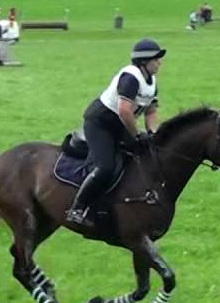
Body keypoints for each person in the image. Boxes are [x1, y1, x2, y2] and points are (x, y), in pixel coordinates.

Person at [66, 39, 165, 227]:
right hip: (100, 123)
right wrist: (137, 135)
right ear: (144, 61)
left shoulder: (152, 83)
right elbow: (124, 110)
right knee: (105, 167)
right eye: (156, 59)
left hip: (121, 125)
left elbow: (151, 111)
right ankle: (77, 208)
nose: (160, 62)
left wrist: (152, 133)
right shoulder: (130, 78)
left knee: (143, 156)